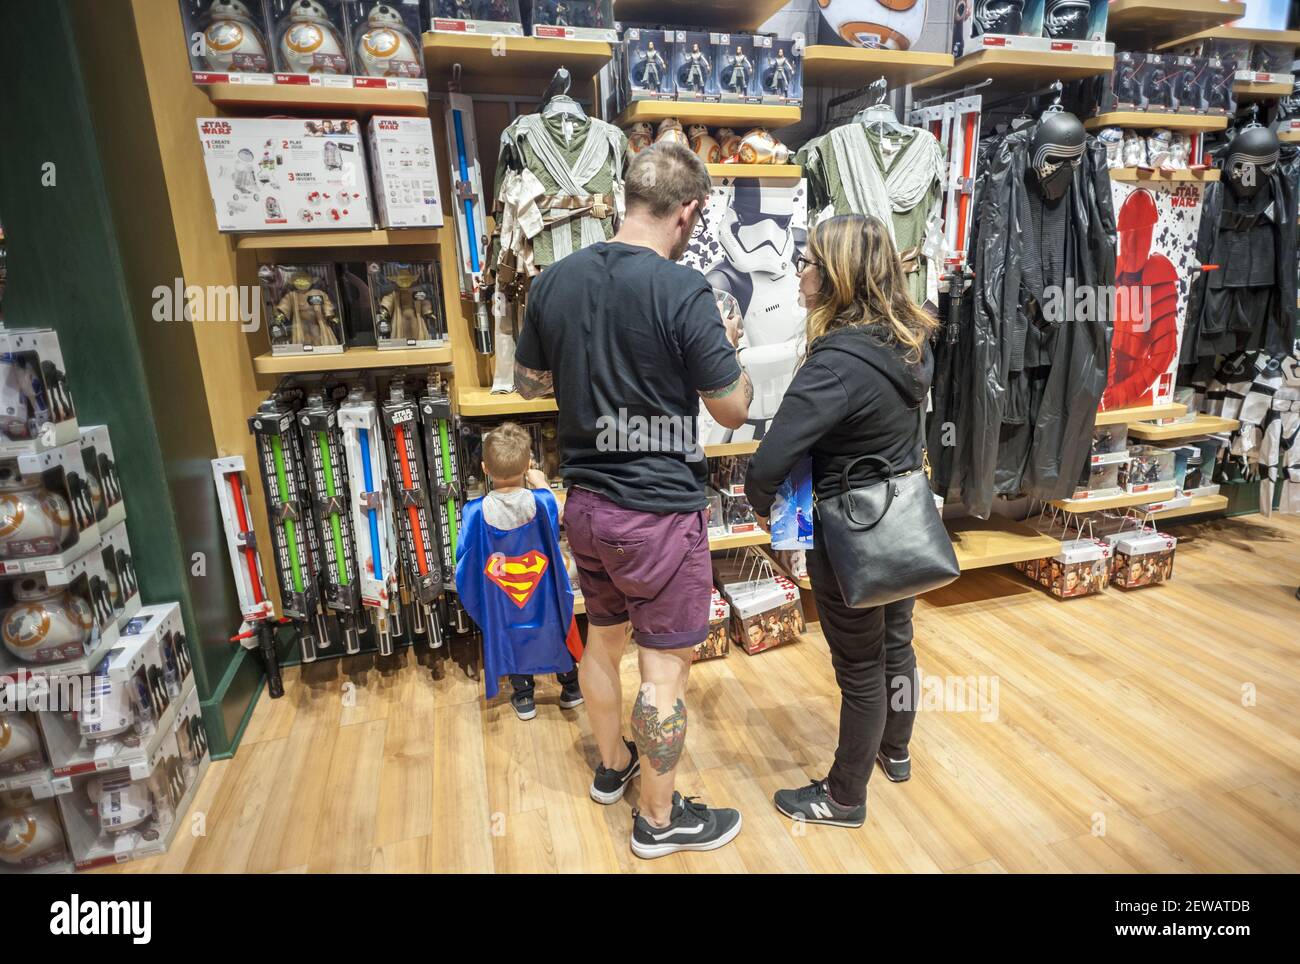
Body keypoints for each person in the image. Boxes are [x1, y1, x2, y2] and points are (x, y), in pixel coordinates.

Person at [513, 142, 752, 858]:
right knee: (664, 673)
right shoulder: (684, 291)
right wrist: (729, 348)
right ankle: (657, 818)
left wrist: (592, 381)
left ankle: (613, 767)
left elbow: (527, 386)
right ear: (688, 211)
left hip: (584, 508)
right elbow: (733, 409)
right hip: (656, 515)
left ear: (625, 196)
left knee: (605, 641)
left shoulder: (553, 281)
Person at [744, 214, 939, 828]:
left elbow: (767, 463)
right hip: (903, 519)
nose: (798, 269)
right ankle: (896, 748)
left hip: (851, 528)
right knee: (897, 642)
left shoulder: (833, 364)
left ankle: (844, 796)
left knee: (859, 667)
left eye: (809, 261)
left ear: (837, 277)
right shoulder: (909, 340)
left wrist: (761, 509)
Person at [455, 423, 583, 717]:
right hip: (543, 594)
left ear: (486, 469)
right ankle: (571, 688)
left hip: (502, 595)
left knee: (510, 634)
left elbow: (465, 558)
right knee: (554, 629)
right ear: (528, 465)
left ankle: (524, 696)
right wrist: (541, 481)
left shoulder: (475, 512)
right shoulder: (542, 502)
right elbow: (556, 510)